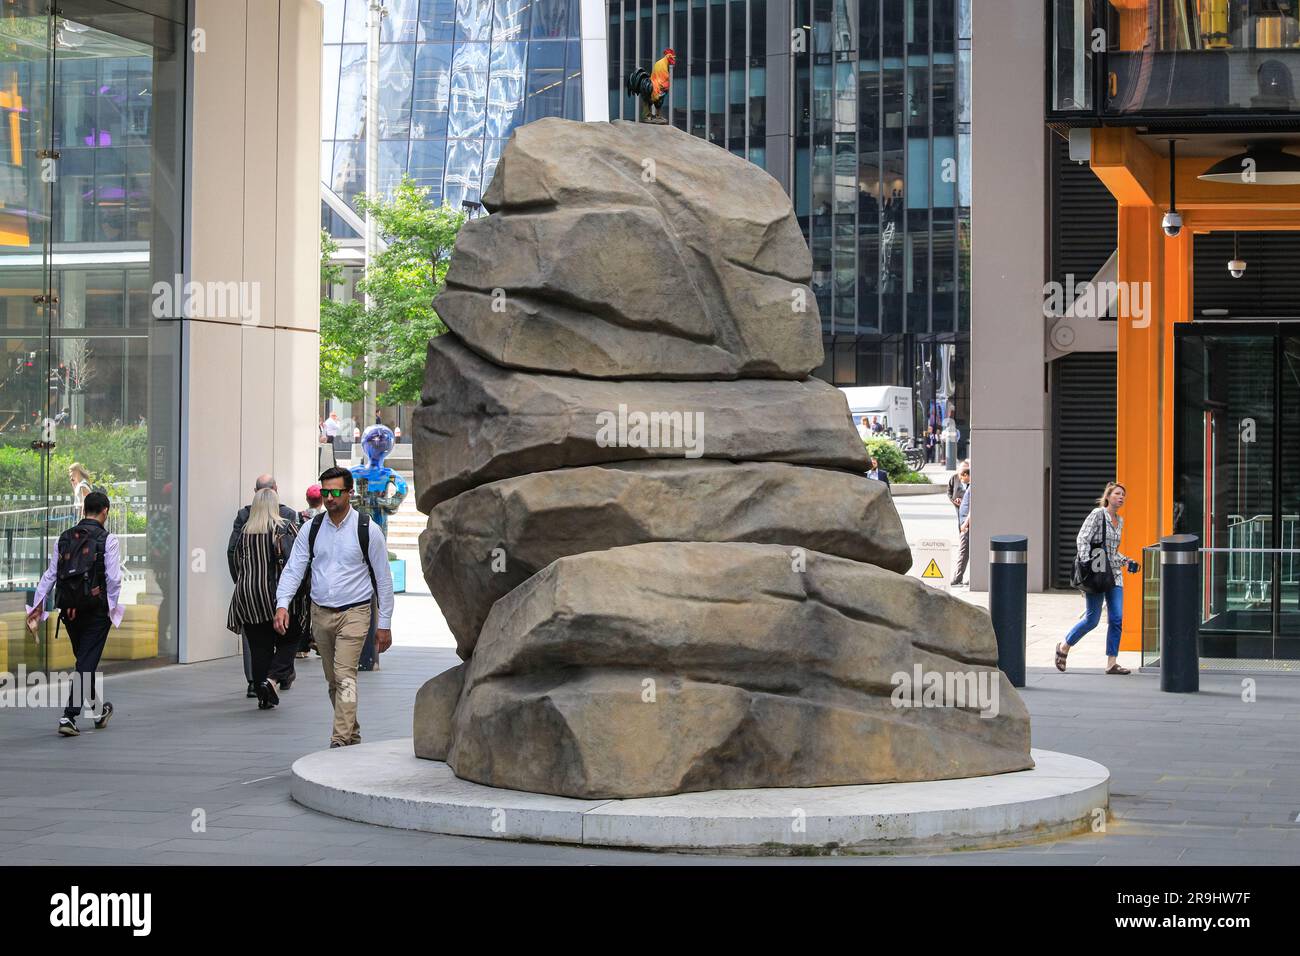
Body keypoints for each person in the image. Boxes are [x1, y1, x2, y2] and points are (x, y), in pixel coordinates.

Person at [274, 466, 394, 749]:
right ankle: (351, 734)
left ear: (349, 493)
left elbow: (383, 579)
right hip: (321, 613)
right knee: (332, 680)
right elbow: (294, 568)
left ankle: (339, 739)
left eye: (335, 492)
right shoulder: (312, 528)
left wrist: (384, 623)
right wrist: (282, 604)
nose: (329, 498)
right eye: (325, 492)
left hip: (355, 612)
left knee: (345, 675)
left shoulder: (367, 529)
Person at [26, 491, 123, 737]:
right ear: (105, 512)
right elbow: (113, 578)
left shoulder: (65, 538)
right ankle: (69, 716)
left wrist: (37, 606)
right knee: (86, 663)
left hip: (69, 610)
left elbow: (51, 574)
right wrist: (112, 608)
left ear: (83, 510)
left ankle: (99, 712)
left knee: (84, 662)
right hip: (96, 610)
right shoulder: (108, 540)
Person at [227, 488, 306, 710]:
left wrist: (242, 582)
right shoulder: (285, 528)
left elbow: (233, 558)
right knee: (291, 637)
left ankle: (264, 694)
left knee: (259, 646)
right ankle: (271, 679)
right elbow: (296, 562)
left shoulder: (244, 531)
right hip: (274, 595)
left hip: (246, 595)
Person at [1056, 482, 1141, 676]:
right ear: (1108, 496)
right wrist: (1086, 563)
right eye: (1117, 493)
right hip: (1096, 573)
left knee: (1117, 618)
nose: (1121, 497)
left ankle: (1112, 663)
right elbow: (1082, 538)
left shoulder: (1120, 520)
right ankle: (1064, 646)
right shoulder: (1097, 514)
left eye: (1123, 495)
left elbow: (1111, 552)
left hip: (1114, 575)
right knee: (1092, 619)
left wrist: (1127, 561)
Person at [951, 465, 972, 587]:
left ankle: (958, 577)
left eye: (961, 477)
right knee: (965, 551)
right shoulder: (970, 487)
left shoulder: (973, 487)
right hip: (966, 524)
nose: (960, 480)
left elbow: (972, 508)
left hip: (967, 525)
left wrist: (965, 523)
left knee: (963, 551)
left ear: (966, 475)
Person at [947, 461, 970, 529]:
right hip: (957, 505)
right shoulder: (954, 478)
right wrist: (954, 500)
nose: (963, 472)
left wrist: (963, 501)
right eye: (962, 469)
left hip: (967, 505)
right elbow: (949, 491)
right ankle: (961, 534)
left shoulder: (970, 479)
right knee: (960, 520)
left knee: (966, 521)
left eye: (965, 470)